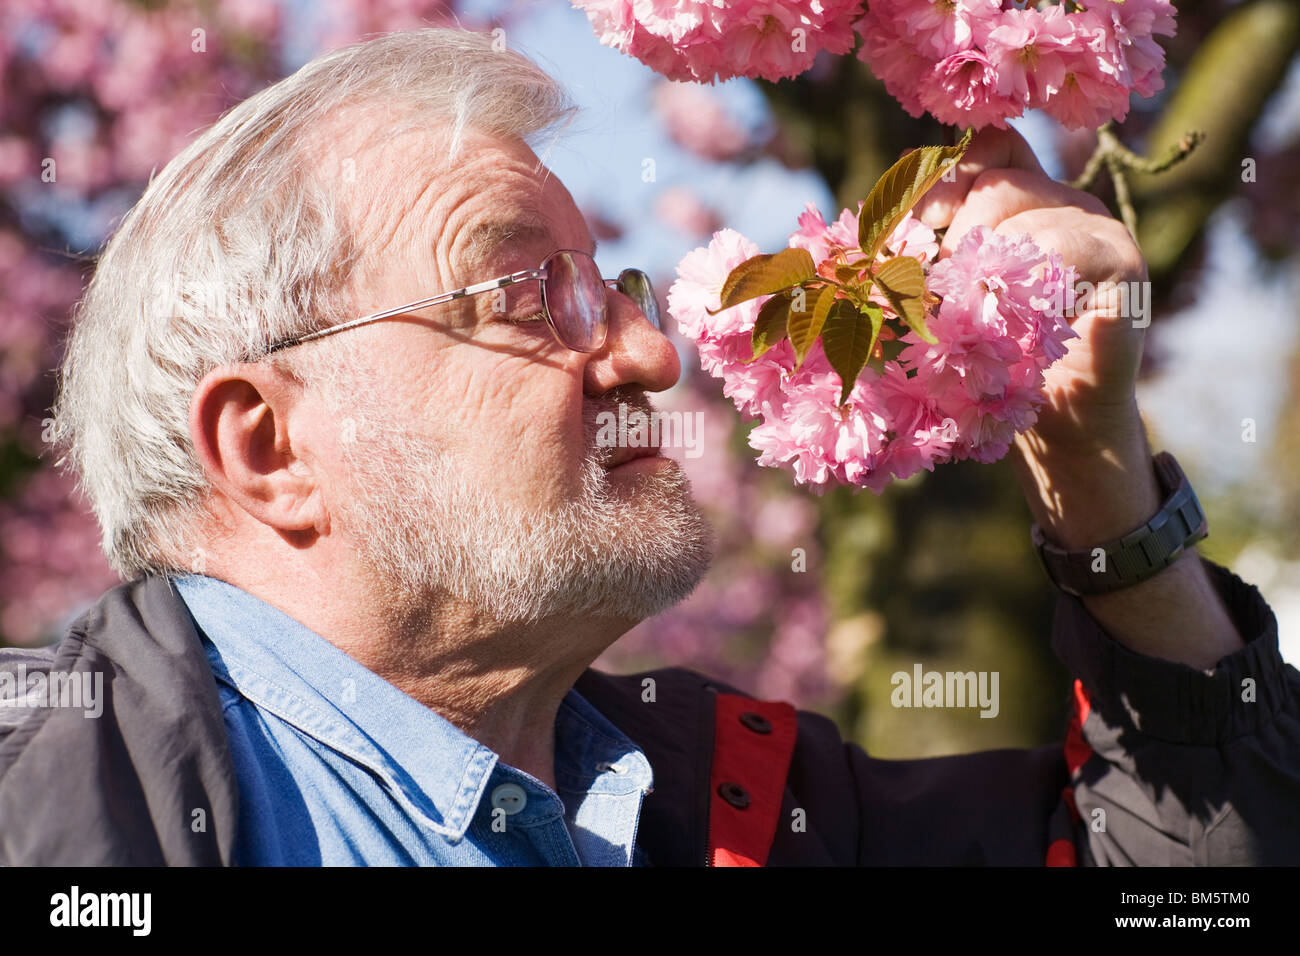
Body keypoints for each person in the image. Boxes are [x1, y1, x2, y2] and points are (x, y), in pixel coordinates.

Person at [1, 27, 1295, 866]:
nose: (645, 353)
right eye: (526, 296)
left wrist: (1093, 464)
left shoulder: (757, 804)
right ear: (270, 446)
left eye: (610, 284)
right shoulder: (53, 813)